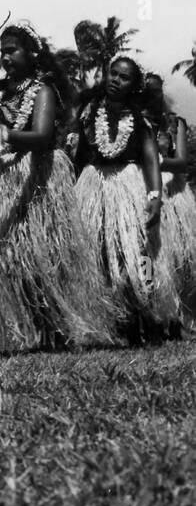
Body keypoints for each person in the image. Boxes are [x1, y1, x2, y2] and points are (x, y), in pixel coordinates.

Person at [0, 25, 113, 351]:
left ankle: (54, 331)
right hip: (4, 178)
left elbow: (42, 137)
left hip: (38, 178)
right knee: (10, 260)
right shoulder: (0, 91)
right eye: (2, 51)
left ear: (32, 53)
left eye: (12, 50)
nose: (5, 57)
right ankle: (31, 330)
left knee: (41, 258)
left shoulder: (43, 90)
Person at [74, 57, 179, 345]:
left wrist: (155, 197)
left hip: (129, 186)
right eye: (112, 73)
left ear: (133, 86)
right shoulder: (88, 112)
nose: (115, 80)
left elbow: (150, 161)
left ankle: (151, 317)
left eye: (124, 77)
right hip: (95, 186)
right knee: (107, 259)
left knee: (138, 255)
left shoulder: (139, 119)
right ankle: (124, 323)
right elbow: (80, 155)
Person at [144, 74, 195, 331]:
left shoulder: (174, 124)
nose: (153, 96)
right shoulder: (133, 122)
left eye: (156, 91)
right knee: (148, 258)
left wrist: (151, 162)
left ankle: (175, 317)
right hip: (143, 191)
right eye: (147, 91)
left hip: (173, 195)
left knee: (175, 257)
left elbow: (182, 162)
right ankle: (149, 313)